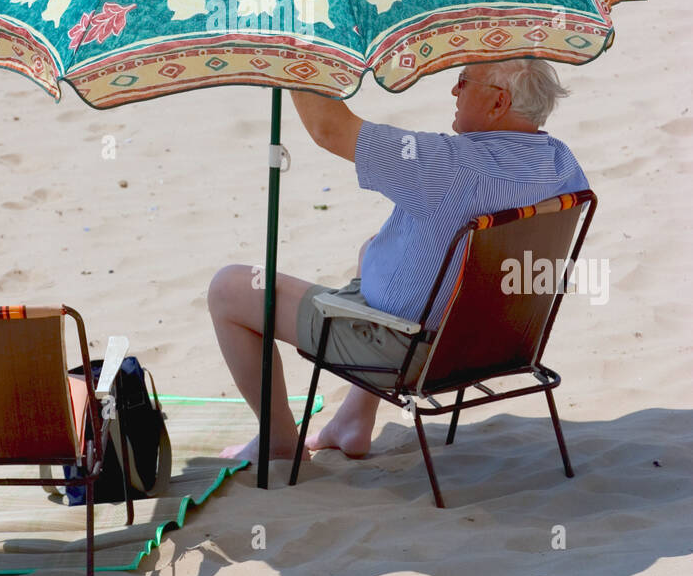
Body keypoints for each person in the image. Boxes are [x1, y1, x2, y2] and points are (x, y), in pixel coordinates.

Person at [208, 58, 589, 463]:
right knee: (375, 248)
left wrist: (297, 52)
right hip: (503, 345)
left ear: (498, 102)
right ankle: (353, 419)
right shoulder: (562, 163)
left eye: (463, 81)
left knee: (229, 289)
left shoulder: (447, 164)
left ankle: (279, 438)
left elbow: (329, 128)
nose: (454, 92)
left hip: (411, 353)